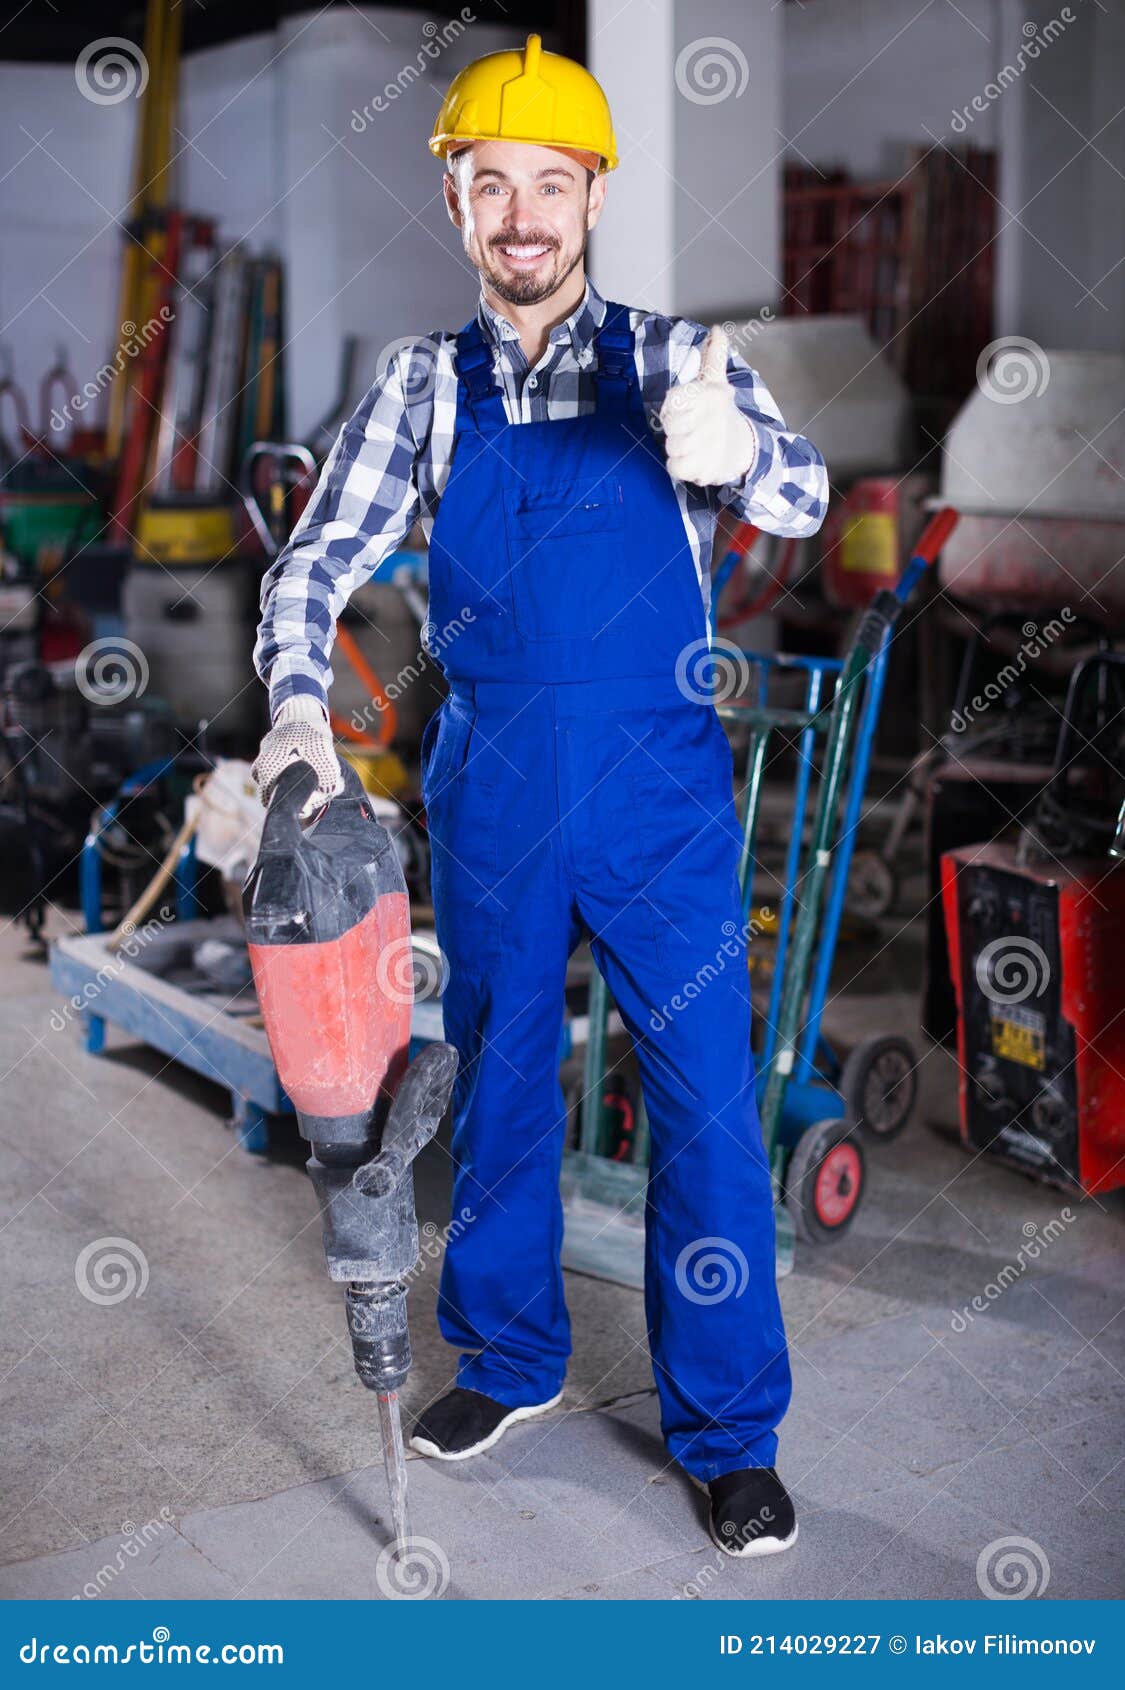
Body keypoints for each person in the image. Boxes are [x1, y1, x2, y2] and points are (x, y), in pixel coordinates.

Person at [252, 34, 828, 1558]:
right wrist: (299, 703)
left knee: (704, 1101)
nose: (522, 213)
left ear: (590, 201)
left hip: (658, 796)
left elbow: (804, 491)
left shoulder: (670, 363)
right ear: (455, 201)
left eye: (550, 184)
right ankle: (506, 1360)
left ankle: (727, 1431)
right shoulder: (421, 387)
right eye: (490, 181)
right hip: (495, 788)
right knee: (497, 1083)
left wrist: (737, 450)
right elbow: (316, 558)